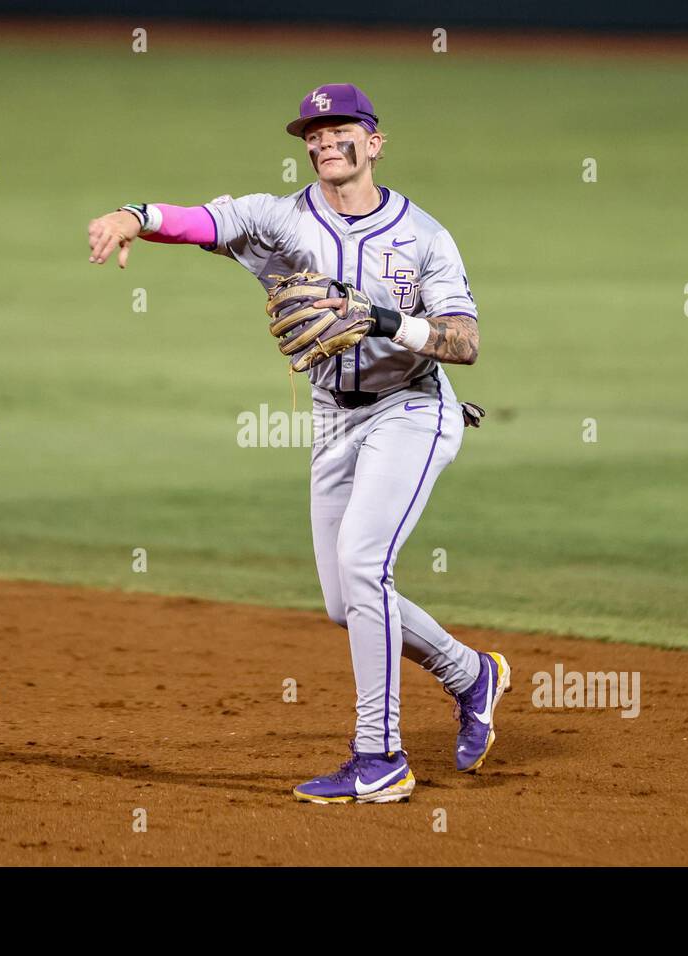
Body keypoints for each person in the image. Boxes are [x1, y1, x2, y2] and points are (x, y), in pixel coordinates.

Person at [87, 83, 509, 804]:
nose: (321, 141)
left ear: (374, 142)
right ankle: (472, 675)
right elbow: (202, 222)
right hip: (335, 418)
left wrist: (381, 319)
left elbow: (464, 342)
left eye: (339, 128)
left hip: (412, 409)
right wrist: (134, 216)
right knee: (346, 601)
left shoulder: (424, 237)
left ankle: (380, 758)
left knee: (364, 563)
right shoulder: (280, 221)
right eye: (311, 133)